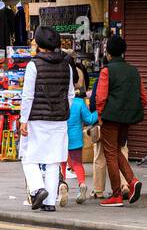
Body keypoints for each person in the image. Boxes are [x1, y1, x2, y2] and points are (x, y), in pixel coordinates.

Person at [20, 27, 74, 211]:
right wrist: (62, 111)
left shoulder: (33, 65)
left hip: (36, 118)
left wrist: (23, 119)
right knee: (53, 160)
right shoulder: (67, 65)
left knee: (28, 156)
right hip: (59, 120)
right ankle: (50, 203)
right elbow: (71, 94)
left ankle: (37, 188)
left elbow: (28, 96)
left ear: (39, 44)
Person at [93, 35, 145, 206]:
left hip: (110, 118)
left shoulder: (107, 71)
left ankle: (116, 194)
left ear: (108, 53)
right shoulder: (134, 71)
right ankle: (132, 181)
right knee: (116, 150)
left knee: (110, 154)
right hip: (128, 118)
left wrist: (100, 116)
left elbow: (100, 97)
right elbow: (143, 97)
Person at [62, 80, 98, 204]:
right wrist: (99, 111)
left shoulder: (59, 102)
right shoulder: (78, 103)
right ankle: (82, 184)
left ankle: (62, 187)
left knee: (61, 164)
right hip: (75, 138)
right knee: (77, 163)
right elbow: (89, 119)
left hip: (60, 137)